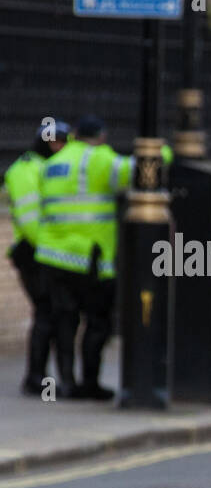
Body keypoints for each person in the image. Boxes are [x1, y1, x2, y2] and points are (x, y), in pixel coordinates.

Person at [35, 115, 133, 400]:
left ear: (75, 134)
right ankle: (90, 383)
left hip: (53, 257)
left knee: (64, 322)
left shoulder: (52, 164)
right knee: (97, 323)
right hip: (89, 259)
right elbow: (136, 171)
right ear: (101, 137)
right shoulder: (99, 158)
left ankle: (66, 381)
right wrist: (164, 151)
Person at [4, 120, 69, 396]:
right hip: (34, 252)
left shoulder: (45, 167)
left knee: (52, 314)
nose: (61, 147)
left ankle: (42, 376)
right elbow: (30, 220)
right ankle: (36, 377)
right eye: (56, 142)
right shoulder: (26, 169)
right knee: (46, 313)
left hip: (47, 250)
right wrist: (50, 249)